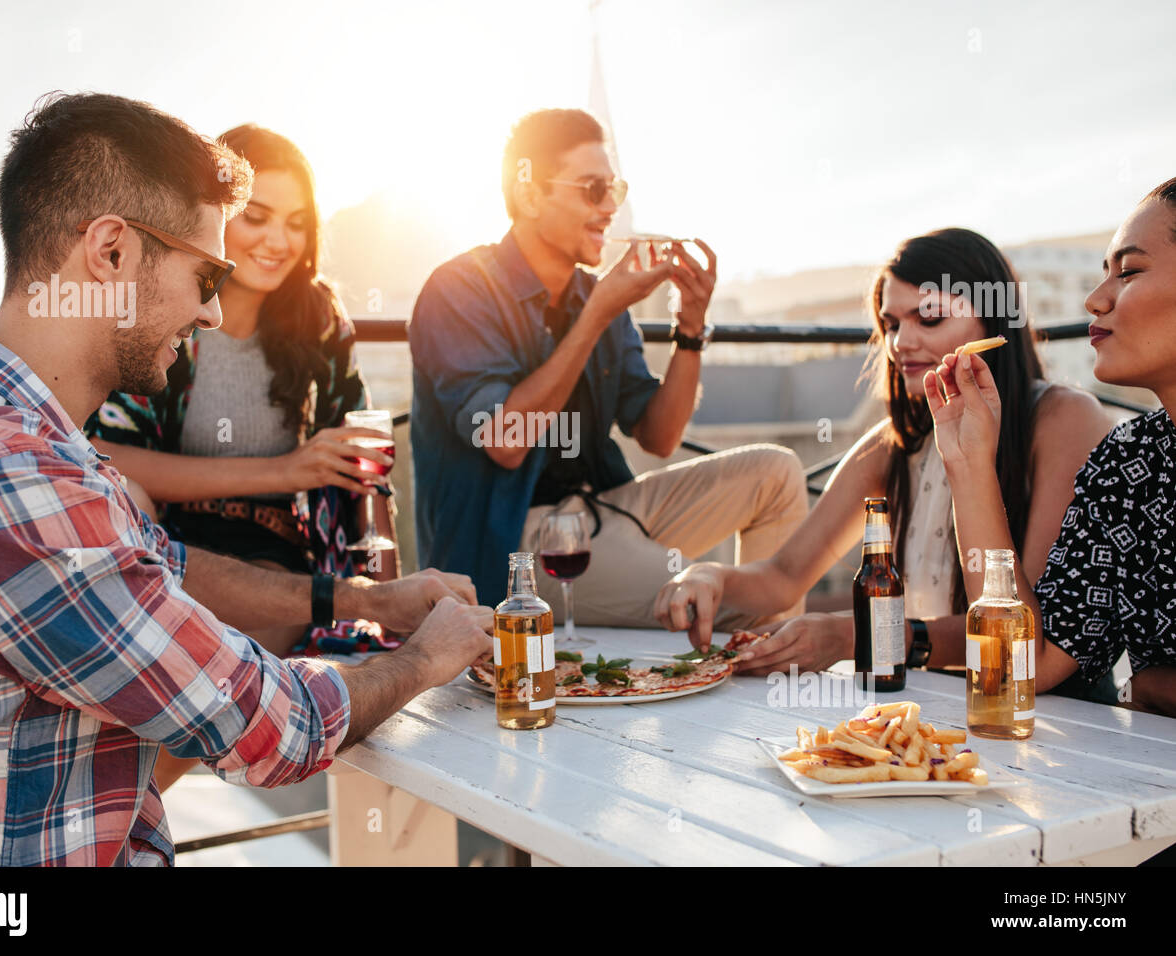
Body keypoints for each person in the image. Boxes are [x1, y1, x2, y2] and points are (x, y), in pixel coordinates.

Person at [0, 92, 490, 866]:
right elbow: (276, 730)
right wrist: (422, 660)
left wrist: (369, 599)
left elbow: (155, 567)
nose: (209, 313)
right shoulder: (14, 480)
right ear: (110, 252)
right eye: (206, 276)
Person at [409, 108, 808, 627]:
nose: (609, 210)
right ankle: (771, 656)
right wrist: (599, 312)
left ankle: (764, 656)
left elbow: (660, 436)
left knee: (775, 473)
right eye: (593, 190)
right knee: (733, 600)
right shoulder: (461, 289)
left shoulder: (592, 294)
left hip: (606, 509)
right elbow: (506, 441)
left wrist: (689, 329)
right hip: (514, 544)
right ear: (530, 193)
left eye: (614, 191)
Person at [655, 228, 1116, 674]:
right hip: (924, 710)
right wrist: (711, 577)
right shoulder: (892, 442)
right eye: (891, 324)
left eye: (929, 318)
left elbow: (1031, 641)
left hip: (1044, 717)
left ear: (992, 321)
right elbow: (783, 576)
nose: (901, 343)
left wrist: (863, 637)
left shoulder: (1062, 419)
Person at [86, 124, 398, 660]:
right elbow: (106, 456)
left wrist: (392, 603)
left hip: (271, 549)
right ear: (213, 214)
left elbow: (364, 457)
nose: (278, 242)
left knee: (228, 664)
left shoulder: (319, 317)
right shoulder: (159, 305)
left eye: (296, 224)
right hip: (163, 535)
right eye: (256, 217)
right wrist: (285, 469)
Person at [923, 180, 1176, 717]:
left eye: (1128, 272)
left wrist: (1159, 688)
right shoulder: (1129, 465)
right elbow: (1022, 664)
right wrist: (969, 466)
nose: (1095, 299)